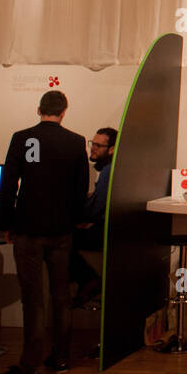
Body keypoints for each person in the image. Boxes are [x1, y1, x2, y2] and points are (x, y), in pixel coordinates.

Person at [0, 90, 89, 374]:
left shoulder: (22, 138)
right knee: (61, 297)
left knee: (32, 299)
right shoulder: (74, 142)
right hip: (61, 231)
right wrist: (72, 222)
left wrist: (6, 222)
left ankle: (29, 364)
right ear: (64, 112)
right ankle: (60, 358)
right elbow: (80, 188)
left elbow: (8, 184)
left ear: (39, 109)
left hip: (28, 228)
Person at [71, 127, 116, 307]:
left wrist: (82, 218)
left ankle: (88, 281)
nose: (93, 148)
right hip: (110, 230)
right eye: (92, 143)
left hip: (104, 233)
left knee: (60, 241)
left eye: (98, 145)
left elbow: (96, 209)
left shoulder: (107, 172)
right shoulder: (112, 169)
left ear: (111, 149)